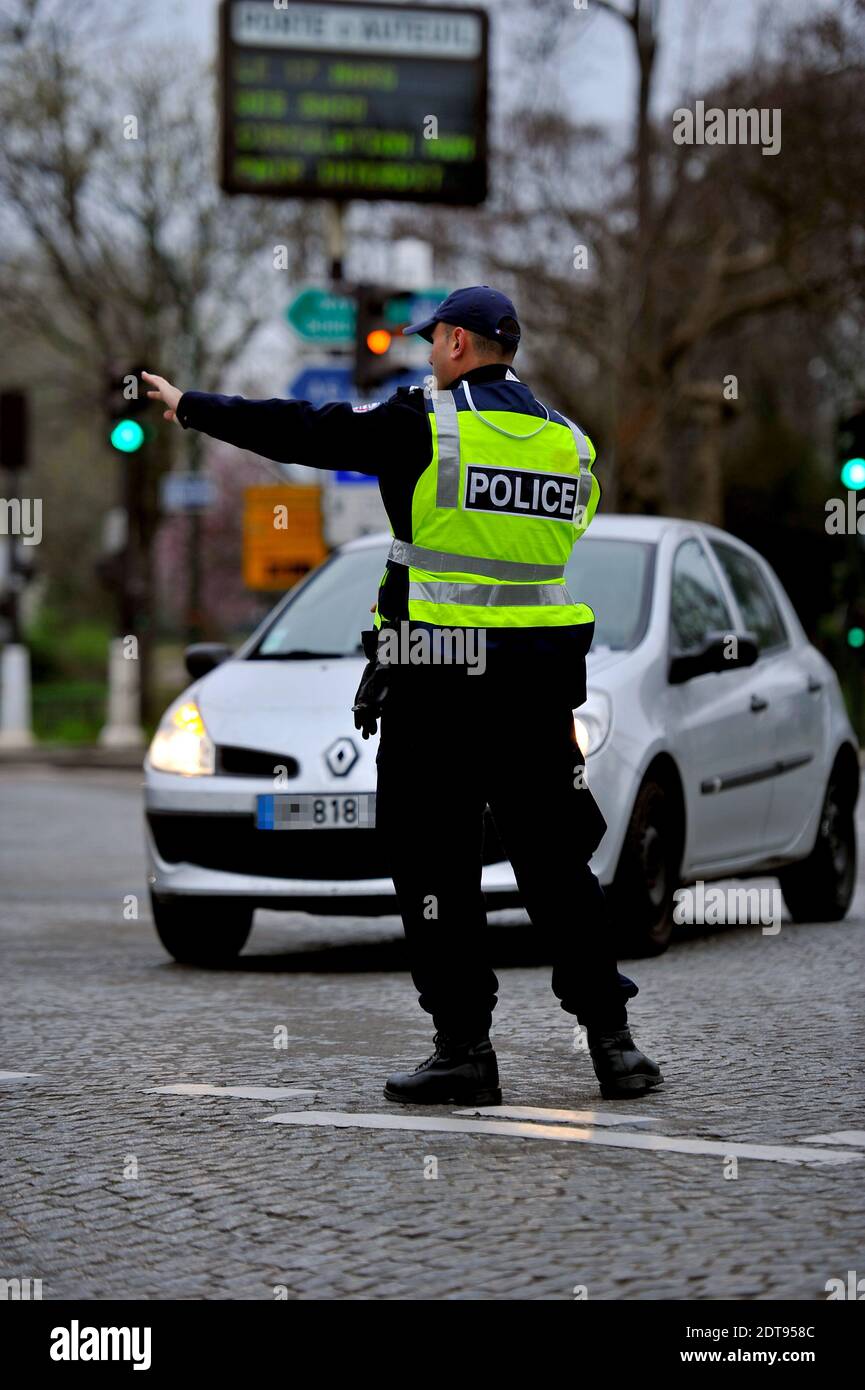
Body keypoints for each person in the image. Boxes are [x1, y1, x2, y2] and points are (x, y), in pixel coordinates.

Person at [143, 284, 663, 1104]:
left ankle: (464, 1052)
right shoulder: (570, 443)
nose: (427, 355)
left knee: (436, 870)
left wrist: (193, 407)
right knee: (558, 869)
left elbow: (307, 431)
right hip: (535, 686)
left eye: (433, 342)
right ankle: (614, 1047)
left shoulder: (429, 424)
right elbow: (552, 537)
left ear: (456, 343)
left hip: (439, 686)